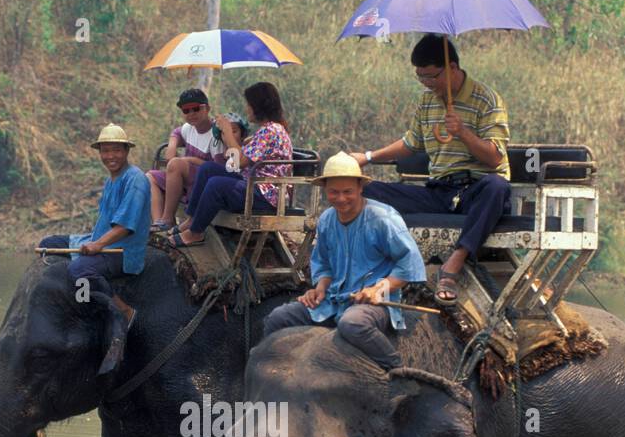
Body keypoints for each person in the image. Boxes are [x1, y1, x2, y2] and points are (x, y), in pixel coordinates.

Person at [348, 33, 511, 304]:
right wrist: (367, 157)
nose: (427, 83)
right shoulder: (427, 102)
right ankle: (374, 263)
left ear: (453, 68)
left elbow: (495, 158)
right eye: (420, 77)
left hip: (476, 192)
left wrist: (463, 133)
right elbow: (412, 143)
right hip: (440, 192)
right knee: (366, 190)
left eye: (432, 77)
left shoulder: (487, 100)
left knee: (497, 187)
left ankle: (453, 265)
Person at [262, 152, 425, 371]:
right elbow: (323, 264)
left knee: (353, 324)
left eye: (347, 191)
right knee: (277, 318)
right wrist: (320, 289)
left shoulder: (384, 219)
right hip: (334, 300)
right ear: (325, 191)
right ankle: (279, 373)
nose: (341, 198)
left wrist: (379, 288)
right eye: (334, 192)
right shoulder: (327, 219)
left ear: (360, 187)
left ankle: (398, 370)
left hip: (374, 303)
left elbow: (410, 262)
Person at [38, 123, 150, 374]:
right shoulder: (111, 180)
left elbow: (126, 227)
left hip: (122, 251)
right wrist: (92, 241)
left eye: (115, 151)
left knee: (80, 271)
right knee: (48, 245)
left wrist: (98, 244)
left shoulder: (136, 180)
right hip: (97, 242)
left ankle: (124, 311)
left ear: (126, 151)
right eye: (105, 151)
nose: (110, 156)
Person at [171, 81, 292, 247]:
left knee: (216, 184)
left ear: (258, 106)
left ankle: (195, 233)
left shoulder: (270, 131)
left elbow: (239, 162)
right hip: (253, 186)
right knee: (208, 169)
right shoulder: (268, 130)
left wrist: (227, 131)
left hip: (265, 195)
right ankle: (192, 219)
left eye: (249, 105)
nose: (247, 109)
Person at [148, 89, 227, 230]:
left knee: (176, 164)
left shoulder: (216, 134)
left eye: (196, 109)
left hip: (204, 184)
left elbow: (218, 169)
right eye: (186, 110)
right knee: (150, 177)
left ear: (207, 108)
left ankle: (167, 219)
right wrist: (172, 146)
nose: (191, 114)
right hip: (185, 181)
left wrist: (189, 160)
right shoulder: (188, 128)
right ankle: (158, 222)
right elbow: (176, 133)